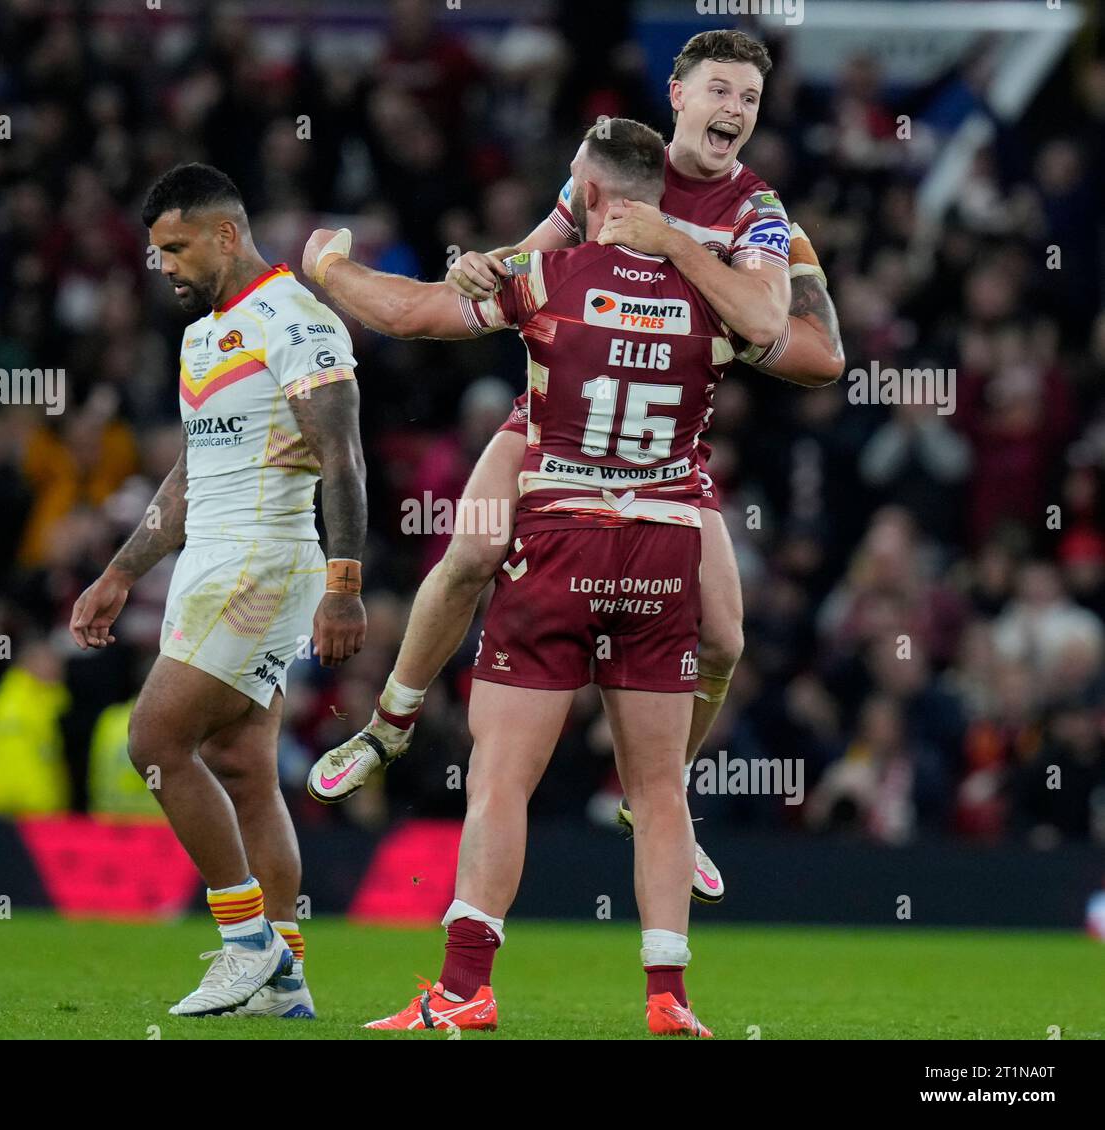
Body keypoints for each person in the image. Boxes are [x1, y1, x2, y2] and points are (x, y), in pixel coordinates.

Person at [309, 29, 844, 910]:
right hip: (556, 415)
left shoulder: (760, 212)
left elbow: (776, 330)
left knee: (725, 638)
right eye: (720, 91)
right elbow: (536, 267)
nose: (735, 112)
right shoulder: (612, 167)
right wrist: (482, 266)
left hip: (666, 444)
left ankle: (658, 799)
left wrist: (673, 242)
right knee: (472, 554)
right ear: (677, 94)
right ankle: (387, 726)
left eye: (749, 99)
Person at [68, 163, 367, 1019]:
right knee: (239, 765)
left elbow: (342, 456)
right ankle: (287, 976)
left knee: (154, 740)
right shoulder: (205, 336)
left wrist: (344, 585)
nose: (162, 265)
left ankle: (246, 946)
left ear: (226, 235)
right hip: (212, 560)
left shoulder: (297, 320)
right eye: (156, 251)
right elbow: (191, 474)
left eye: (175, 247)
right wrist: (123, 571)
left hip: (265, 560)